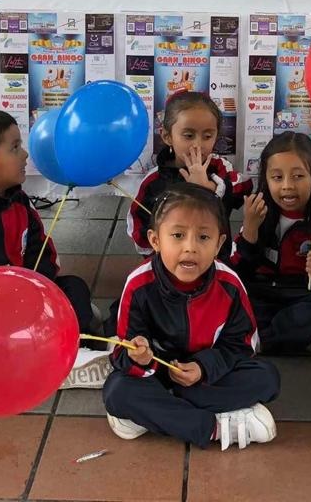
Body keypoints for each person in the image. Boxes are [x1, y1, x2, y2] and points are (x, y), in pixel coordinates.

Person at [0, 110, 108, 387]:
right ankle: (68, 357)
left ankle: (78, 340)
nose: (25, 155)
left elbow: (41, 246)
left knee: (74, 287)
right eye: (15, 148)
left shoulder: (19, 199)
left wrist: (44, 287)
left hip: (25, 294)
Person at [102, 183, 281, 449]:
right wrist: (138, 356)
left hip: (207, 376)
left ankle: (155, 413)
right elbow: (123, 353)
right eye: (177, 235)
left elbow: (243, 345)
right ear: (155, 240)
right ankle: (213, 427)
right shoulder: (138, 285)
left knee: (267, 378)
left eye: (203, 238)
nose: (190, 248)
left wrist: (203, 367)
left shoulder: (229, 285)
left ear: (220, 243)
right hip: (157, 372)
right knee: (118, 392)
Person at [232, 132, 311, 357]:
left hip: (303, 295)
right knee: (234, 303)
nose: (287, 186)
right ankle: (302, 342)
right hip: (262, 291)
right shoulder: (259, 212)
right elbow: (238, 271)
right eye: (277, 177)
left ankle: (259, 341)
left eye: (298, 176)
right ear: (266, 179)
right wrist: (250, 230)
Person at [126, 92, 249, 258]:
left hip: (214, 262)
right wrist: (157, 254)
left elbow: (244, 188)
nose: (198, 145)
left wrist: (210, 188)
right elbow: (137, 222)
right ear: (167, 136)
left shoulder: (220, 168)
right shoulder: (153, 181)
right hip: (169, 264)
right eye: (188, 136)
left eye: (207, 136)